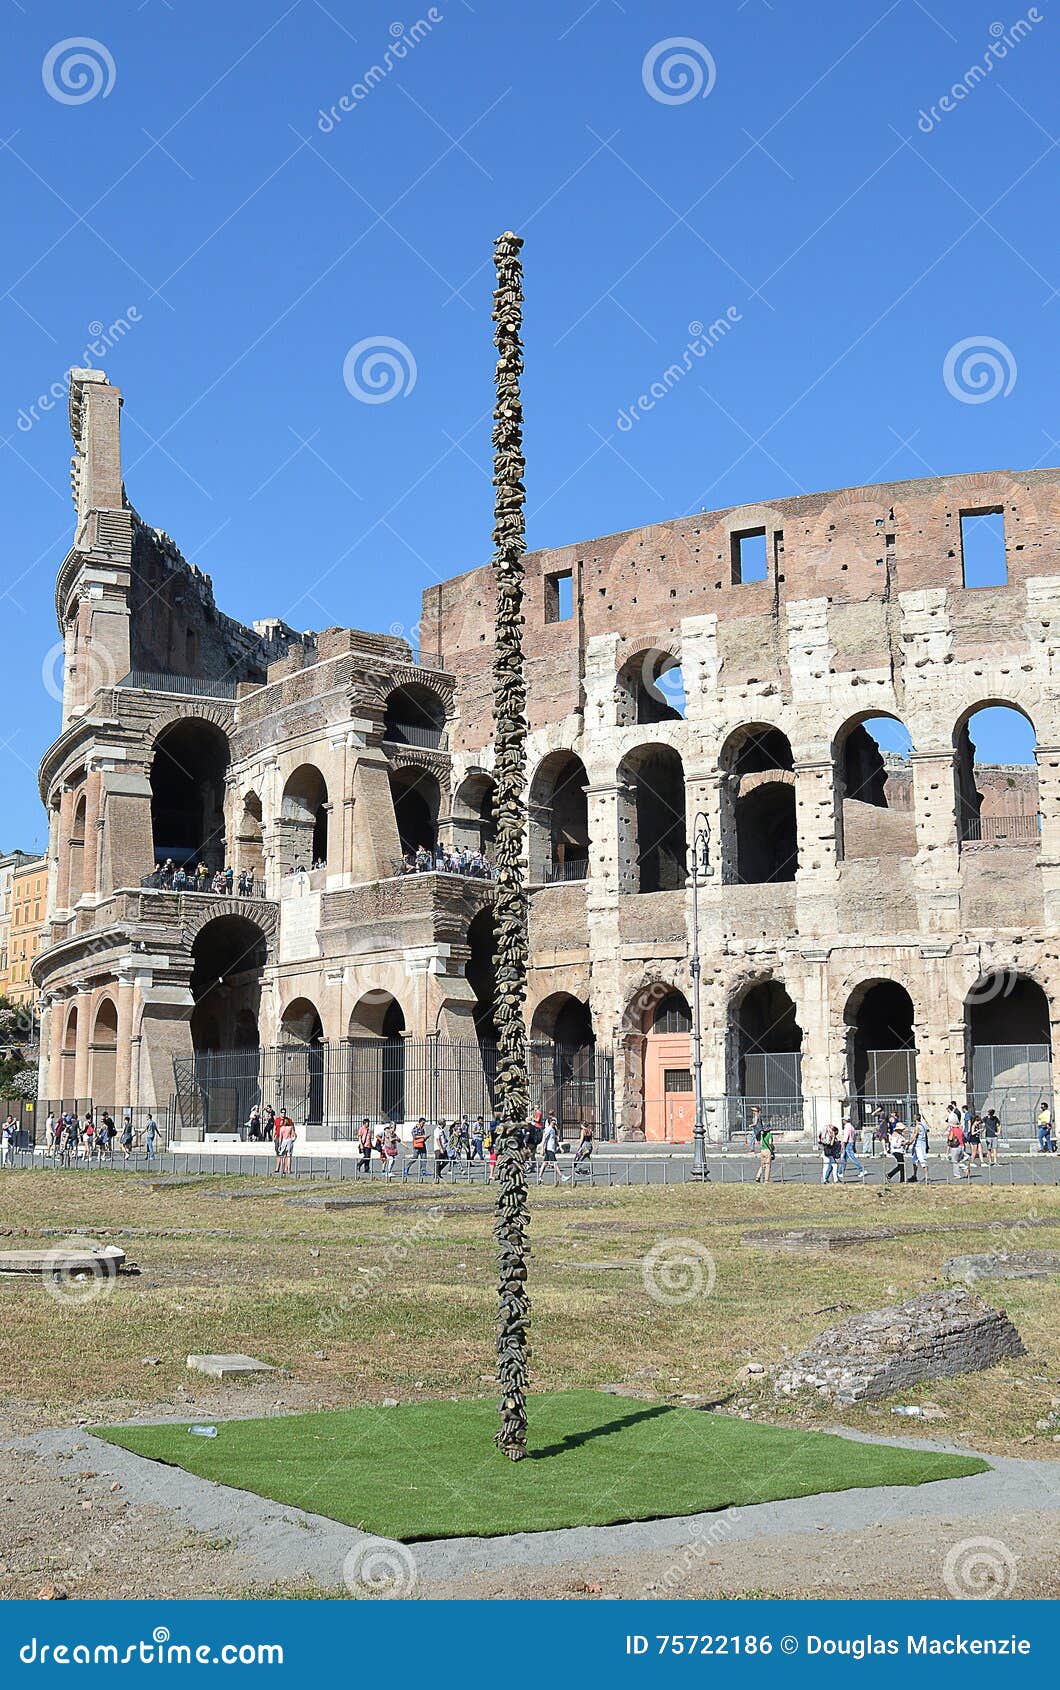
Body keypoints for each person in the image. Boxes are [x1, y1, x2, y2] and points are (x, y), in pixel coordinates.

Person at [538, 1113, 567, 1184]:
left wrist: (559, 1147)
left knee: (545, 1163)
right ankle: (562, 1176)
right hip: (549, 1148)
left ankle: (539, 1177)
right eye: (554, 1121)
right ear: (551, 1122)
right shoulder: (548, 1129)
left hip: (552, 1148)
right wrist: (542, 1148)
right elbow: (544, 1139)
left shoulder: (553, 1130)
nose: (555, 1122)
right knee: (554, 1163)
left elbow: (554, 1139)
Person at [839, 1115, 866, 1180]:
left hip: (848, 1144)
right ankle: (840, 1172)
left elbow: (845, 1138)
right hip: (851, 1143)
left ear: (845, 1121)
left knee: (852, 1157)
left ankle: (861, 1169)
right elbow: (854, 1137)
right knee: (844, 1158)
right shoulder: (851, 1127)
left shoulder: (847, 1128)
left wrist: (842, 1146)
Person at [946, 1111, 967, 1178]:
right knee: (959, 1160)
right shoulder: (960, 1129)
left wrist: (948, 1136)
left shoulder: (953, 1130)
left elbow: (950, 1138)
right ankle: (965, 1167)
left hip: (955, 1147)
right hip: (961, 1145)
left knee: (955, 1161)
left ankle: (957, 1174)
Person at [910, 1111, 929, 1183]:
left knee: (922, 1160)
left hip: (919, 1145)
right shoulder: (923, 1125)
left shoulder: (918, 1127)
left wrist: (908, 1142)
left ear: (915, 1119)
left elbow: (914, 1136)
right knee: (914, 1160)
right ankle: (914, 1175)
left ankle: (927, 1177)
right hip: (919, 1145)